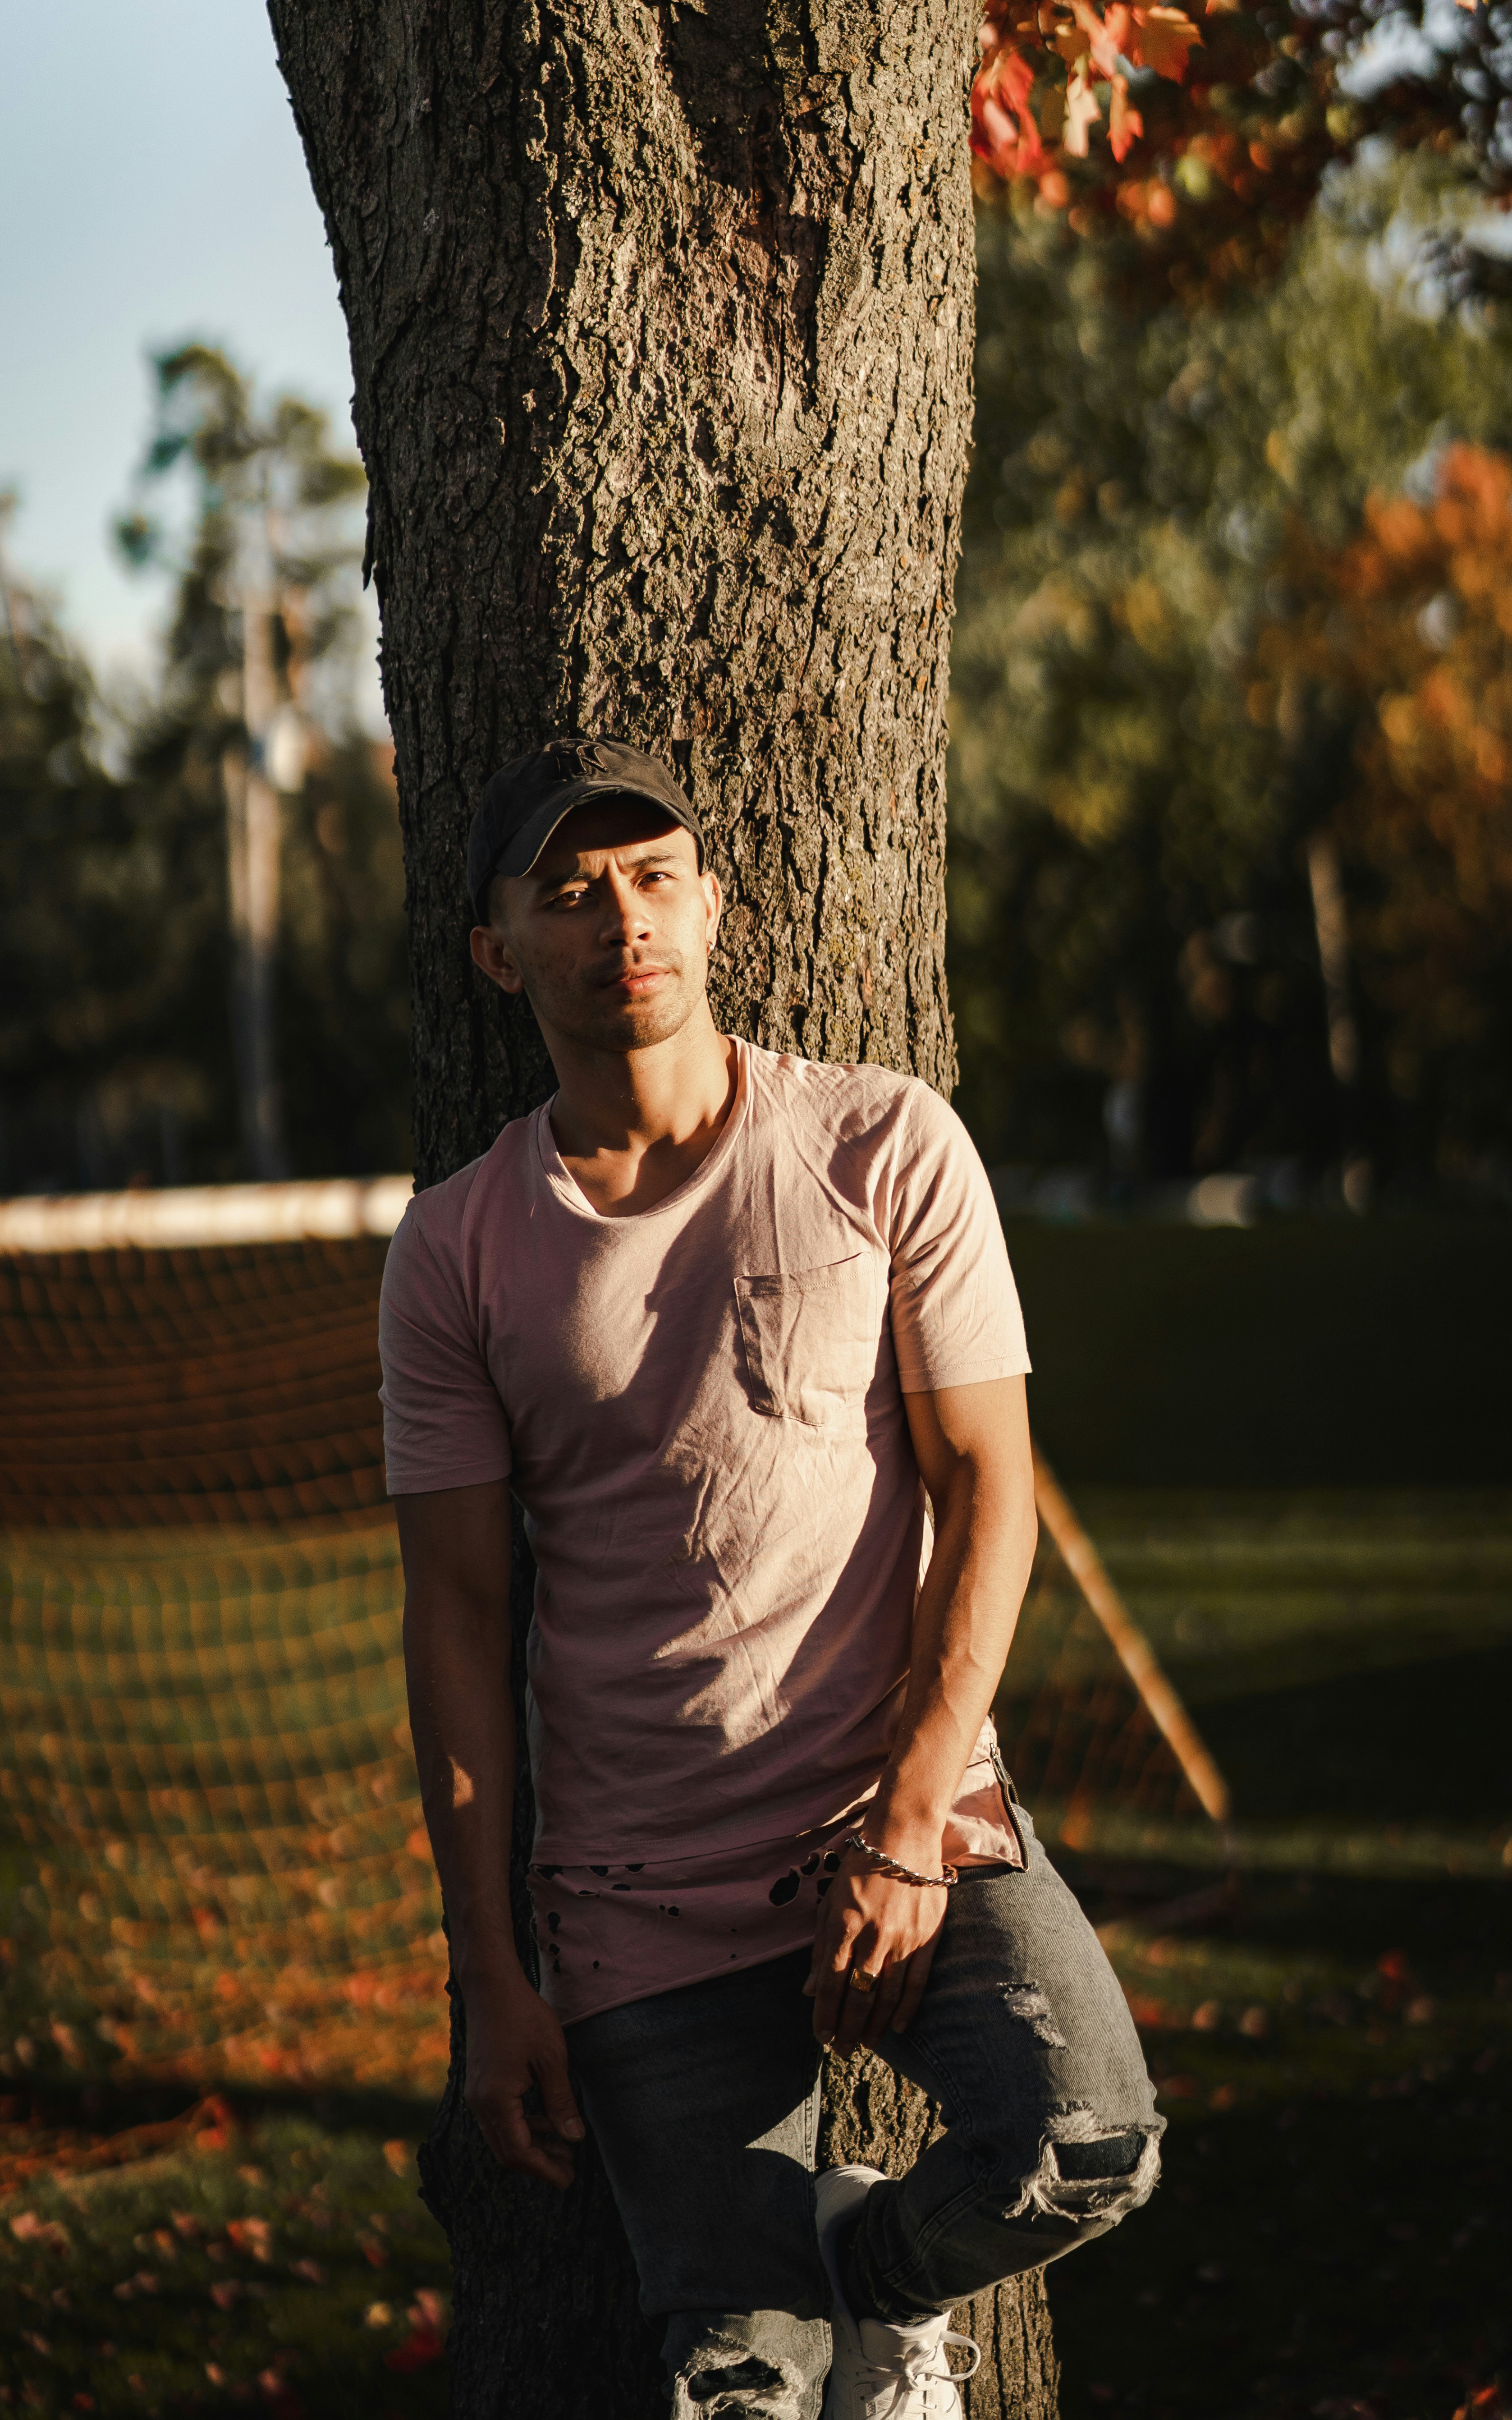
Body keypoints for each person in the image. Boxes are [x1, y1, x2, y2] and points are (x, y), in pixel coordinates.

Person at [380, 737, 1163, 2420]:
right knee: (737, 2383)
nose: (622, 920)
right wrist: (489, 1975)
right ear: (496, 951)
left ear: (717, 902)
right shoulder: (453, 1248)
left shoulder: (884, 1141)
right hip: (633, 1890)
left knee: (1087, 2137)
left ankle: (871, 2270)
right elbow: (451, 1615)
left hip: (898, 1807)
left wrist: (907, 1819)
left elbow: (989, 1489)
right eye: (569, 892)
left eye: (655, 875)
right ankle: (791, 2302)